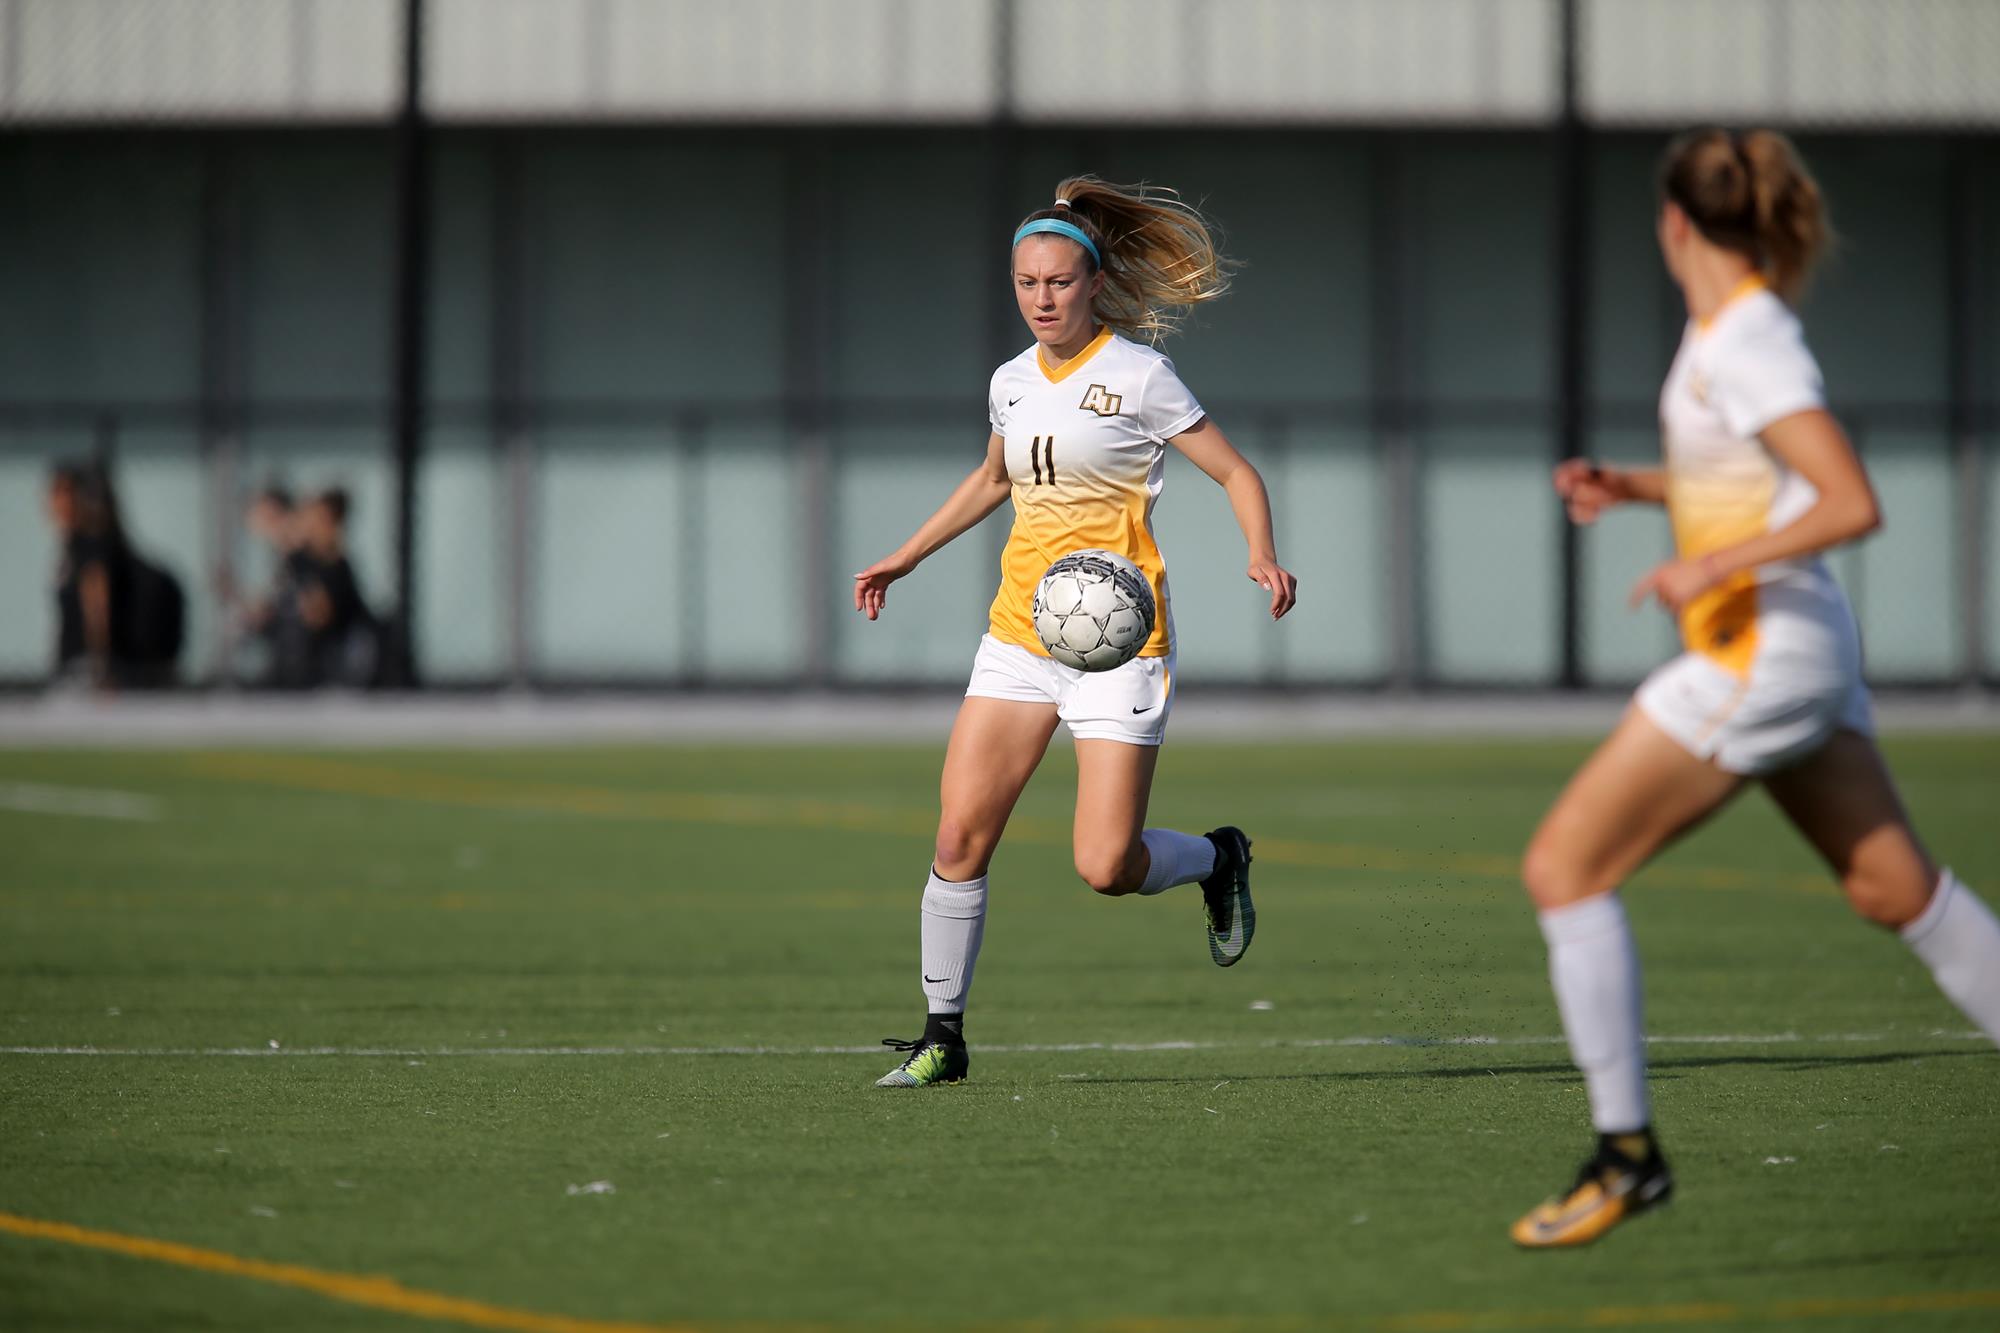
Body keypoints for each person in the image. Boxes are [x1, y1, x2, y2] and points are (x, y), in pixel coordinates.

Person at [1510, 128, 2000, 1247]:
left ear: (1671, 221)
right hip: (1792, 647)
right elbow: (1739, 481)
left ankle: (1624, 1154)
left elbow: (1845, 499)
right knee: (1897, 894)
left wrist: (1706, 566)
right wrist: (1633, 489)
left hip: (1759, 653)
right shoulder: (1722, 332)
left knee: (1563, 867)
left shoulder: (1747, 338)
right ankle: (1623, 1154)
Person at [853, 177, 1298, 1089]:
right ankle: (943, 1036)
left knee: (1104, 865)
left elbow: (1237, 470)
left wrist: (1263, 551)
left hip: (1119, 646)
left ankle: (1219, 856)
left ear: (1093, 283)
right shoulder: (1009, 383)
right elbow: (991, 480)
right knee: (957, 840)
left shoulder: (1139, 374)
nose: (1042, 297)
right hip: (1019, 637)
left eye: (1058, 281)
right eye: (1026, 283)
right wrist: (906, 556)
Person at [46, 460, 182, 690]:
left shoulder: (90, 546)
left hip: (89, 671)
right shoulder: (81, 547)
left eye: (61, 493)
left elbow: (97, 603)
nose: (52, 503)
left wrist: (100, 668)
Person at [295, 488, 379, 688]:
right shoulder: (299, 561)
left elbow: (320, 615)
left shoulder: (337, 568)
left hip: (338, 660)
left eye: (318, 519)